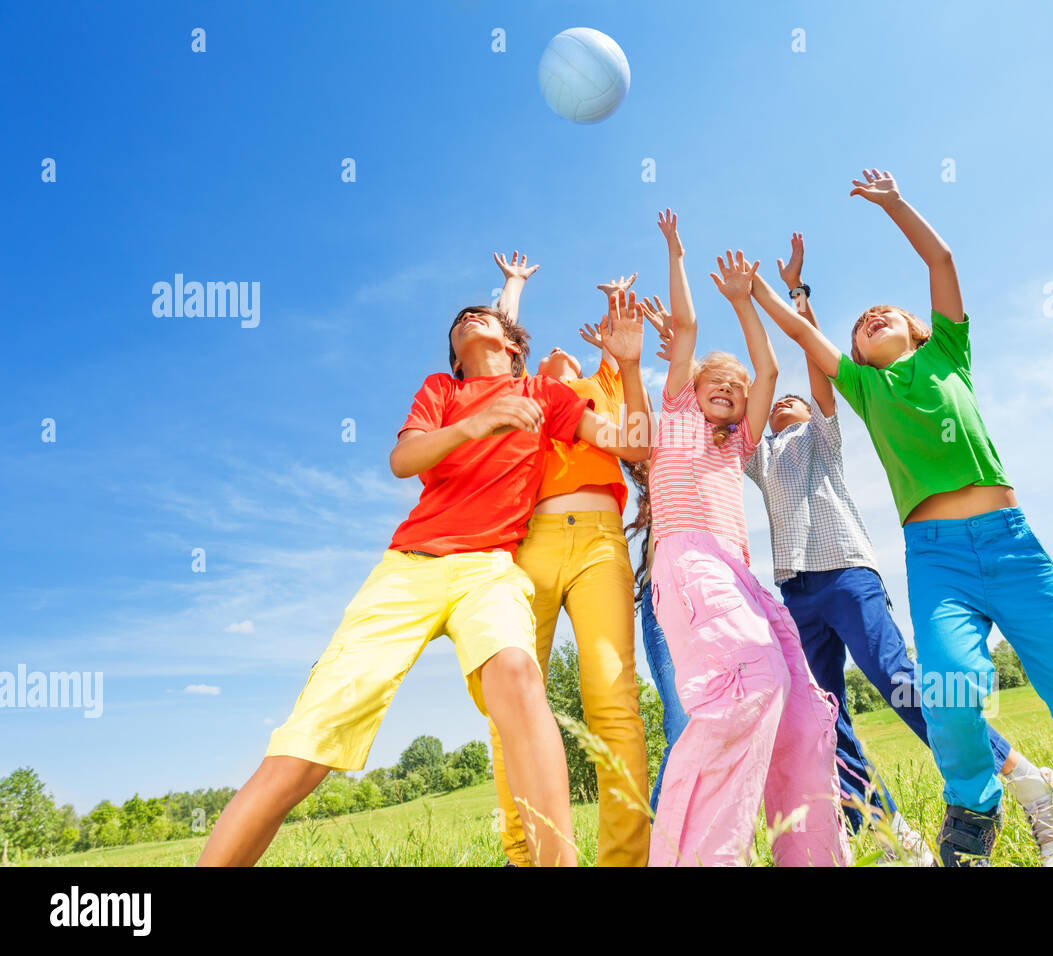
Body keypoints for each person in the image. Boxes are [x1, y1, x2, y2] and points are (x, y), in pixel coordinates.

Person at [757, 167, 1053, 867]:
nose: (872, 318)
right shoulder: (863, 388)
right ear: (856, 356)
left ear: (921, 330)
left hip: (1012, 548)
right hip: (936, 558)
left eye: (885, 312)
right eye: (861, 325)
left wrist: (894, 204)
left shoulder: (949, 354)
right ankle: (973, 819)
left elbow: (941, 260)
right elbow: (801, 333)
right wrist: (768, 292)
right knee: (950, 694)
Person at [197, 268, 652, 868]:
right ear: (456, 362)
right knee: (308, 741)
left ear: (514, 347)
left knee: (517, 676)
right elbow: (402, 459)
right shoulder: (442, 389)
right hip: (408, 567)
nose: (467, 317)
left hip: (490, 568)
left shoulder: (545, 395)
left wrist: (631, 366)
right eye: (459, 321)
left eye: (482, 315)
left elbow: (636, 446)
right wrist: (474, 423)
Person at [739, 232, 1053, 866]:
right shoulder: (761, 459)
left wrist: (793, 291)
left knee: (901, 682)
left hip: (846, 572)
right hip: (797, 591)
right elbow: (760, 392)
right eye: (776, 403)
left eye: (798, 395)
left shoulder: (822, 433)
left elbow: (813, 355)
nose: (787, 400)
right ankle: (886, 833)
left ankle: (1033, 783)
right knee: (819, 717)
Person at [645, 208, 848, 867]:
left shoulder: (737, 449)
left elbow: (766, 371)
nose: (730, 389)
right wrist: (676, 250)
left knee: (799, 714)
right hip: (687, 561)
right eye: (716, 382)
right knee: (746, 686)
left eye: (735, 387)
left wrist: (748, 305)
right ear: (690, 389)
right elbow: (686, 329)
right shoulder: (675, 422)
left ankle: (812, 857)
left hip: (739, 576)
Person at [486, 256, 651, 867]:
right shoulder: (524, 394)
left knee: (612, 699)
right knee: (514, 703)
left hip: (601, 542)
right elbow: (495, 342)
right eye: (541, 351)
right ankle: (524, 856)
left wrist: (615, 298)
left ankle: (625, 860)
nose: (557, 350)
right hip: (530, 543)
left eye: (572, 353)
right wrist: (515, 285)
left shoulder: (600, 389)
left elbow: (624, 348)